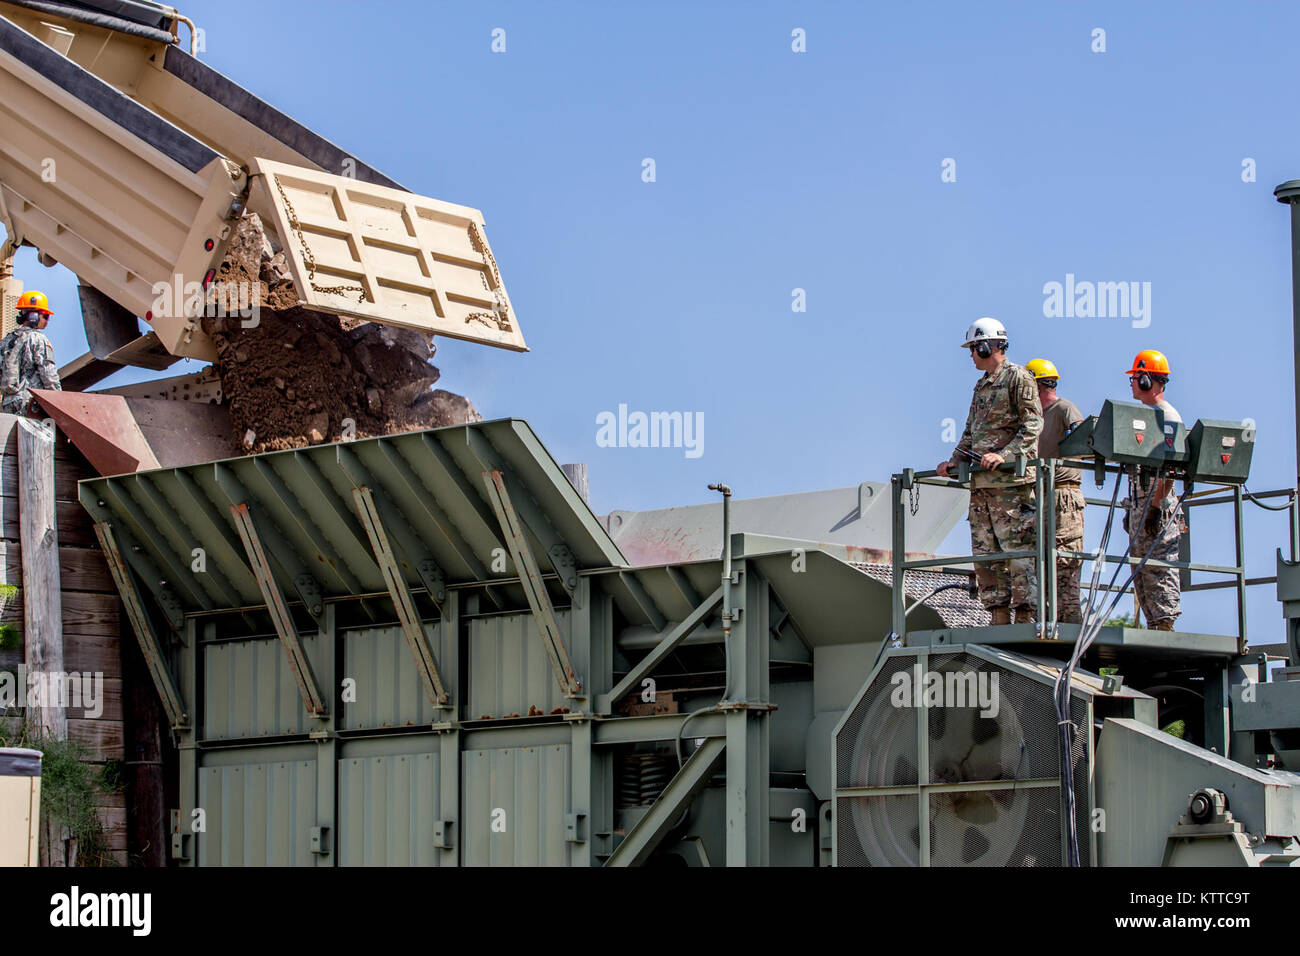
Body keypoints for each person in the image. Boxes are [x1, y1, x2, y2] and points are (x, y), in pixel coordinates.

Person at [938, 318, 1043, 624]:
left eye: (973, 348)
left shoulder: (1018, 378)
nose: (971, 355)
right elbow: (971, 432)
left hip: (1010, 486)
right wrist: (954, 461)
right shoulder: (982, 385)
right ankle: (997, 615)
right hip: (982, 486)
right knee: (986, 552)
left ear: (986, 346)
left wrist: (1005, 455)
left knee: (1018, 552)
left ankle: (1025, 618)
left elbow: (1033, 425)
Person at [1123, 349, 1182, 631]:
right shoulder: (1148, 417)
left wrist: (1156, 508)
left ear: (1147, 380)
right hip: (1142, 499)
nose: (1132, 384)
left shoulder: (1166, 417)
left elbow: (1168, 470)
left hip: (1156, 501)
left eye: (1135, 378)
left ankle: (1165, 625)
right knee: (1141, 568)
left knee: (1159, 566)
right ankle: (1155, 624)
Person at [1026, 358, 1086, 624]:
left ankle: (1070, 624)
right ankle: (1047, 620)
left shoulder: (1065, 409)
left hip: (1063, 494)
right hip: (1040, 494)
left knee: (1064, 562)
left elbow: (1082, 443)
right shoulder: (1034, 418)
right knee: (1040, 563)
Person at [0, 290, 60, 417]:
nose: (47, 321)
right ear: (34, 316)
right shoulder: (38, 339)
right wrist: (59, 403)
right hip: (30, 404)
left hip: (6, 405)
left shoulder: (6, 340)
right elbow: (48, 375)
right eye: (45, 316)